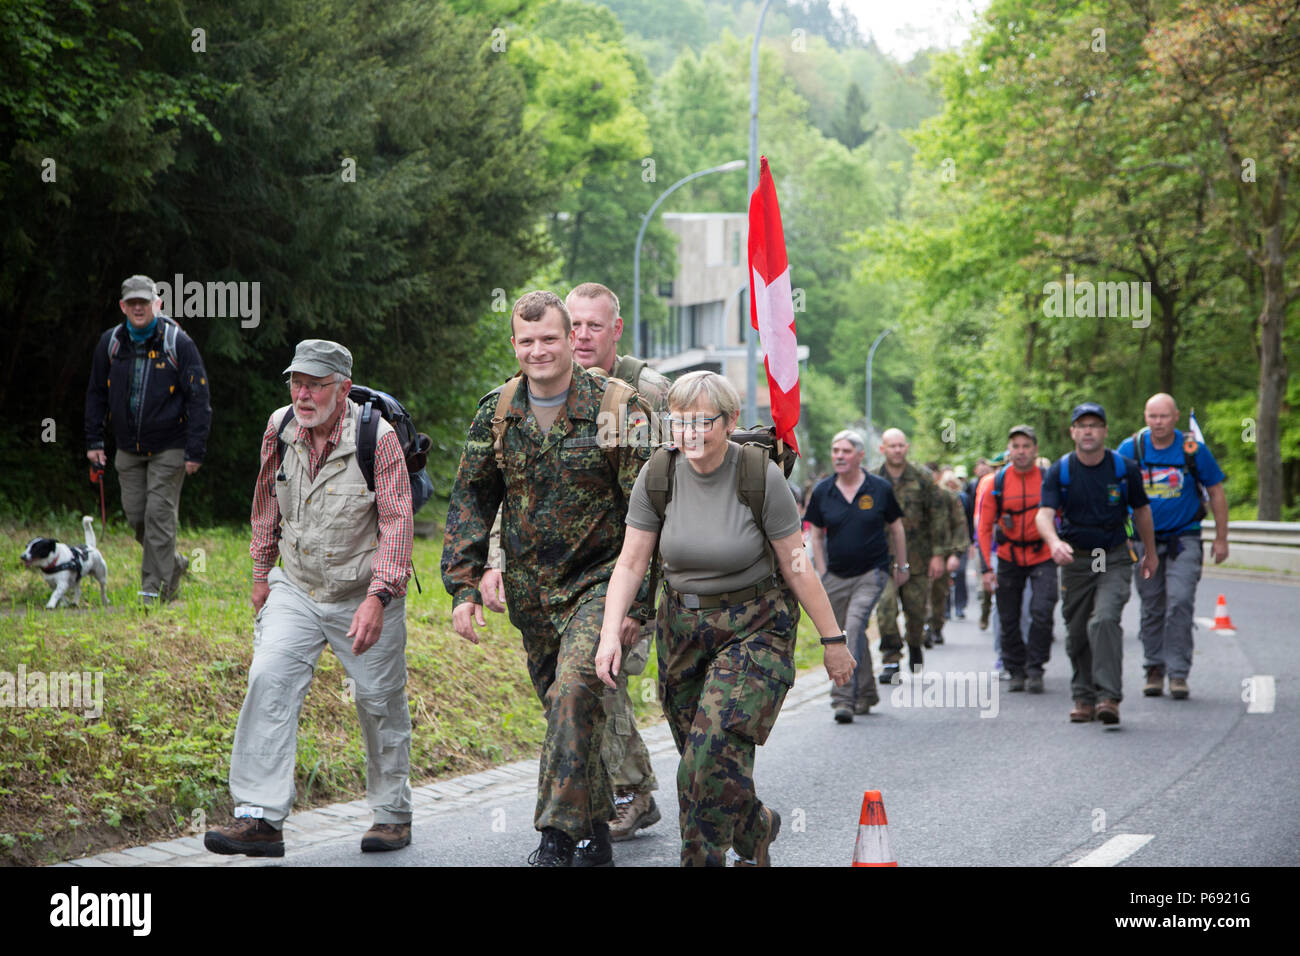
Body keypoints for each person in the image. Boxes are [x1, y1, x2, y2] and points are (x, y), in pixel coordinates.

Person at [595, 371, 855, 866]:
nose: (689, 432)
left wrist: (833, 639)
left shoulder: (759, 475)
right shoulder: (659, 473)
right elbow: (630, 563)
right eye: (678, 420)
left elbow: (796, 565)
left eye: (702, 421)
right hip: (682, 632)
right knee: (705, 757)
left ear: (730, 421)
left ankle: (701, 859)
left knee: (704, 761)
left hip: (754, 628)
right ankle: (756, 826)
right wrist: (611, 635)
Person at [441, 290, 654, 867]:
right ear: (515, 344)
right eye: (527, 341)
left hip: (602, 586)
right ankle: (595, 835)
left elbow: (651, 510)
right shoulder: (498, 410)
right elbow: (471, 498)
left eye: (550, 339)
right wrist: (464, 586)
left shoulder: (617, 409)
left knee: (574, 693)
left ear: (570, 342)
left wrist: (641, 606)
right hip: (534, 596)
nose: (539, 351)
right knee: (566, 710)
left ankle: (556, 837)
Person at [205, 340, 414, 857]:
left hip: (363, 592)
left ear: (343, 388)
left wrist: (379, 596)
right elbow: (264, 502)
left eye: (317, 384)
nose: (303, 393)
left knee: (378, 701)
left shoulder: (377, 438)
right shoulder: (279, 428)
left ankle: (391, 815)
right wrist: (260, 572)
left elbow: (397, 520)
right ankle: (260, 819)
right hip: (296, 586)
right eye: (297, 382)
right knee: (268, 677)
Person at [85, 274, 211, 604]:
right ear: (123, 306)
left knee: (158, 516)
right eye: (133, 303)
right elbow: (96, 394)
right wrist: (94, 441)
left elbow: (199, 396)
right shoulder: (110, 343)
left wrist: (195, 449)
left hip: (170, 445)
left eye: (145, 302)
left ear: (157, 304)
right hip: (128, 448)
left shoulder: (177, 342)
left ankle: (152, 592)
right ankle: (175, 565)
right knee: (137, 518)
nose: (139, 308)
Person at [1036, 403, 1158, 726]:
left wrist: (1150, 551)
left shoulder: (1124, 468)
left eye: (1095, 425)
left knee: (1103, 620)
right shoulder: (1060, 470)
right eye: (1082, 425)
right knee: (1076, 630)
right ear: (1073, 432)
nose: (1088, 430)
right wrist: (1054, 542)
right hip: (1076, 557)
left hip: (1112, 554)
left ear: (1104, 431)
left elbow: (1141, 511)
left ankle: (1107, 697)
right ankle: (1083, 696)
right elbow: (1044, 514)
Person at [1116, 393, 1228, 699]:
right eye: (1152, 417)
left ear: (1176, 416)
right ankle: (1154, 668)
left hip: (1184, 538)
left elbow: (1215, 491)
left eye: (1163, 416)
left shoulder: (1192, 449)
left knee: (1179, 601)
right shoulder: (1131, 449)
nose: (1158, 423)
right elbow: (1113, 489)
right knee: (1152, 605)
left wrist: (1221, 537)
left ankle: (1178, 673)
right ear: (1145, 417)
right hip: (1143, 542)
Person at [805, 430, 907, 723]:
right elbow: (816, 533)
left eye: (846, 451)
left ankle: (843, 699)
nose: (839, 455)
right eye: (835, 450)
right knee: (851, 634)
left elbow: (897, 528)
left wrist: (902, 566)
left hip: (871, 572)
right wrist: (822, 572)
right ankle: (867, 693)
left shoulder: (879, 488)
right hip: (835, 575)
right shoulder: (824, 490)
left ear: (860, 455)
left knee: (851, 626)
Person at [976, 425, 1058, 693]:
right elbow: (984, 528)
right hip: (1008, 555)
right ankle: (1015, 669)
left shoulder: (1048, 479)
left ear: (1035, 450)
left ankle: (1035, 667)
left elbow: (1064, 515)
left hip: (1042, 554)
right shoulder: (995, 483)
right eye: (1015, 446)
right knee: (1008, 616)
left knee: (1042, 611)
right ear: (1008, 451)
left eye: (1026, 446)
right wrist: (987, 568)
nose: (1021, 452)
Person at [872, 429, 951, 682]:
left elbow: (939, 516)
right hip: (882, 558)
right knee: (885, 608)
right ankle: (891, 659)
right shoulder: (872, 478)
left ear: (907, 447)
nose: (897, 450)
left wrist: (939, 555)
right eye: (891, 446)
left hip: (918, 557)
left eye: (900, 445)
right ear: (882, 449)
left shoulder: (923, 478)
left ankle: (915, 643)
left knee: (916, 612)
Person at [925, 474, 970, 646]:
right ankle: (923, 628)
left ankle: (936, 626)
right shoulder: (912, 497)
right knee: (919, 594)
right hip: (919, 554)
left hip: (943, 551)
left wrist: (956, 554)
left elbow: (960, 524)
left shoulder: (947, 497)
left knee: (938, 592)